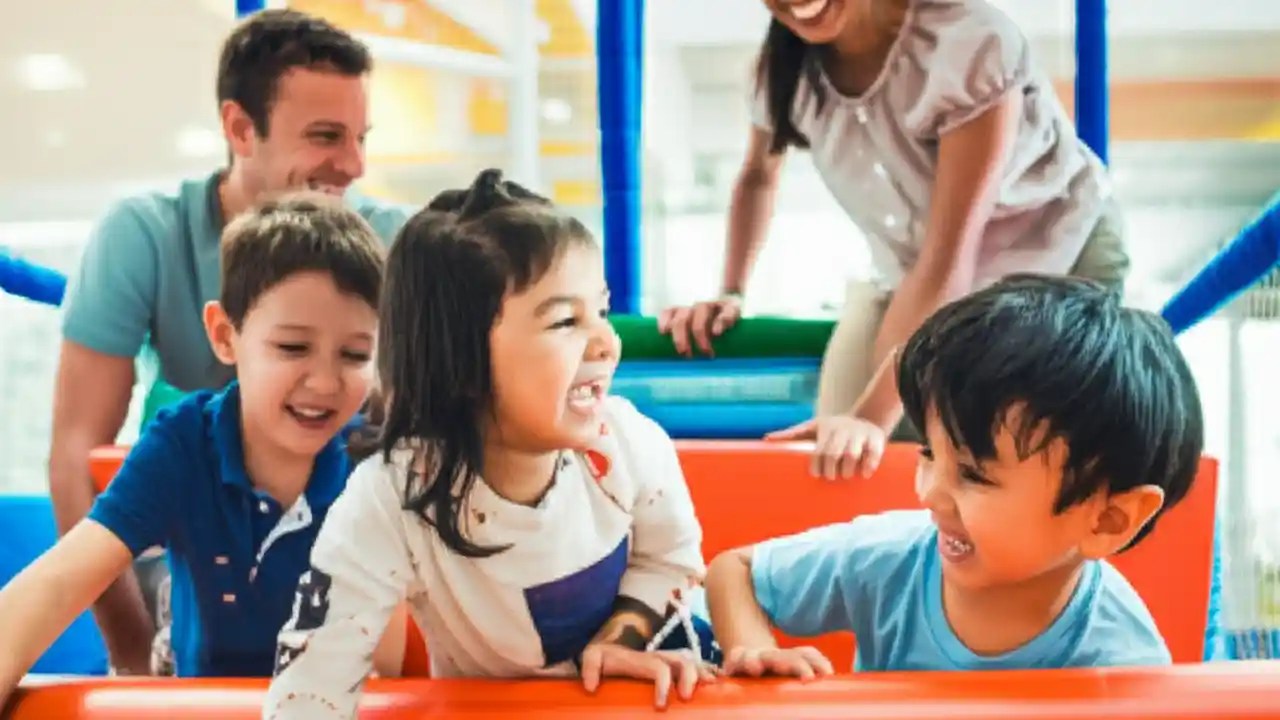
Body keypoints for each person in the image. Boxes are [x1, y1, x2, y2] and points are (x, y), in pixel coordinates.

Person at [262, 170, 714, 719]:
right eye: (566, 321)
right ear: (462, 364)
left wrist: (618, 641)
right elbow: (314, 680)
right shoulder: (392, 499)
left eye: (602, 309)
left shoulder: (629, 443)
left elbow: (670, 559)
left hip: (656, 696)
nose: (606, 341)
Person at [49, 9, 410, 675]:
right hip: (196, 541)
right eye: (326, 136)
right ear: (241, 129)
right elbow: (77, 454)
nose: (354, 164)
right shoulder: (145, 238)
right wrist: (131, 665)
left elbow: (532, 303)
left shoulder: (392, 241)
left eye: (360, 137)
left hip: (341, 537)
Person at [658, 0, 1130, 445]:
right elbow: (758, 177)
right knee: (842, 445)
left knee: (971, 439)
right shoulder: (782, 70)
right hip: (912, 271)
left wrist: (867, 422)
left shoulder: (964, 42)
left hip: (1056, 257)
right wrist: (731, 291)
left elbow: (951, 257)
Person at [0, 194, 402, 708]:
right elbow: (60, 582)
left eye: (354, 354)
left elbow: (386, 669)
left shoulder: (374, 465)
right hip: (202, 699)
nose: (324, 381)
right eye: (293, 348)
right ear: (225, 335)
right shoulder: (184, 444)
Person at [703, 274, 1204, 675]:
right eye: (928, 454)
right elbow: (736, 571)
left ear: (1108, 520)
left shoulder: (1121, 662)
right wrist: (750, 648)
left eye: (973, 475)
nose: (931, 496)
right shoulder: (890, 559)